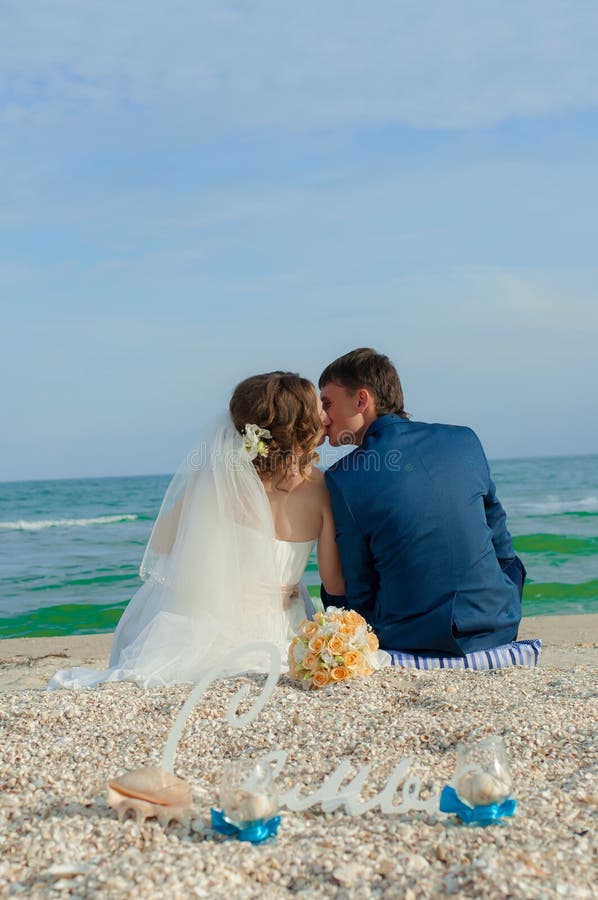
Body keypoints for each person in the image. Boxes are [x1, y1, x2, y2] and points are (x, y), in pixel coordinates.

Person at [48, 372, 345, 689]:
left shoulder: (217, 478)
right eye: (319, 407)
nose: (326, 416)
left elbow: (163, 544)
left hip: (214, 624)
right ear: (301, 424)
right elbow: (333, 581)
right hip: (284, 625)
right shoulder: (323, 488)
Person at [319, 348, 525, 656]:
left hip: (412, 638)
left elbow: (358, 586)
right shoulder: (465, 439)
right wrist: (507, 594)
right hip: (500, 623)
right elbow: (501, 542)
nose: (322, 416)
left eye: (327, 403)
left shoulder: (343, 477)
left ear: (361, 400)